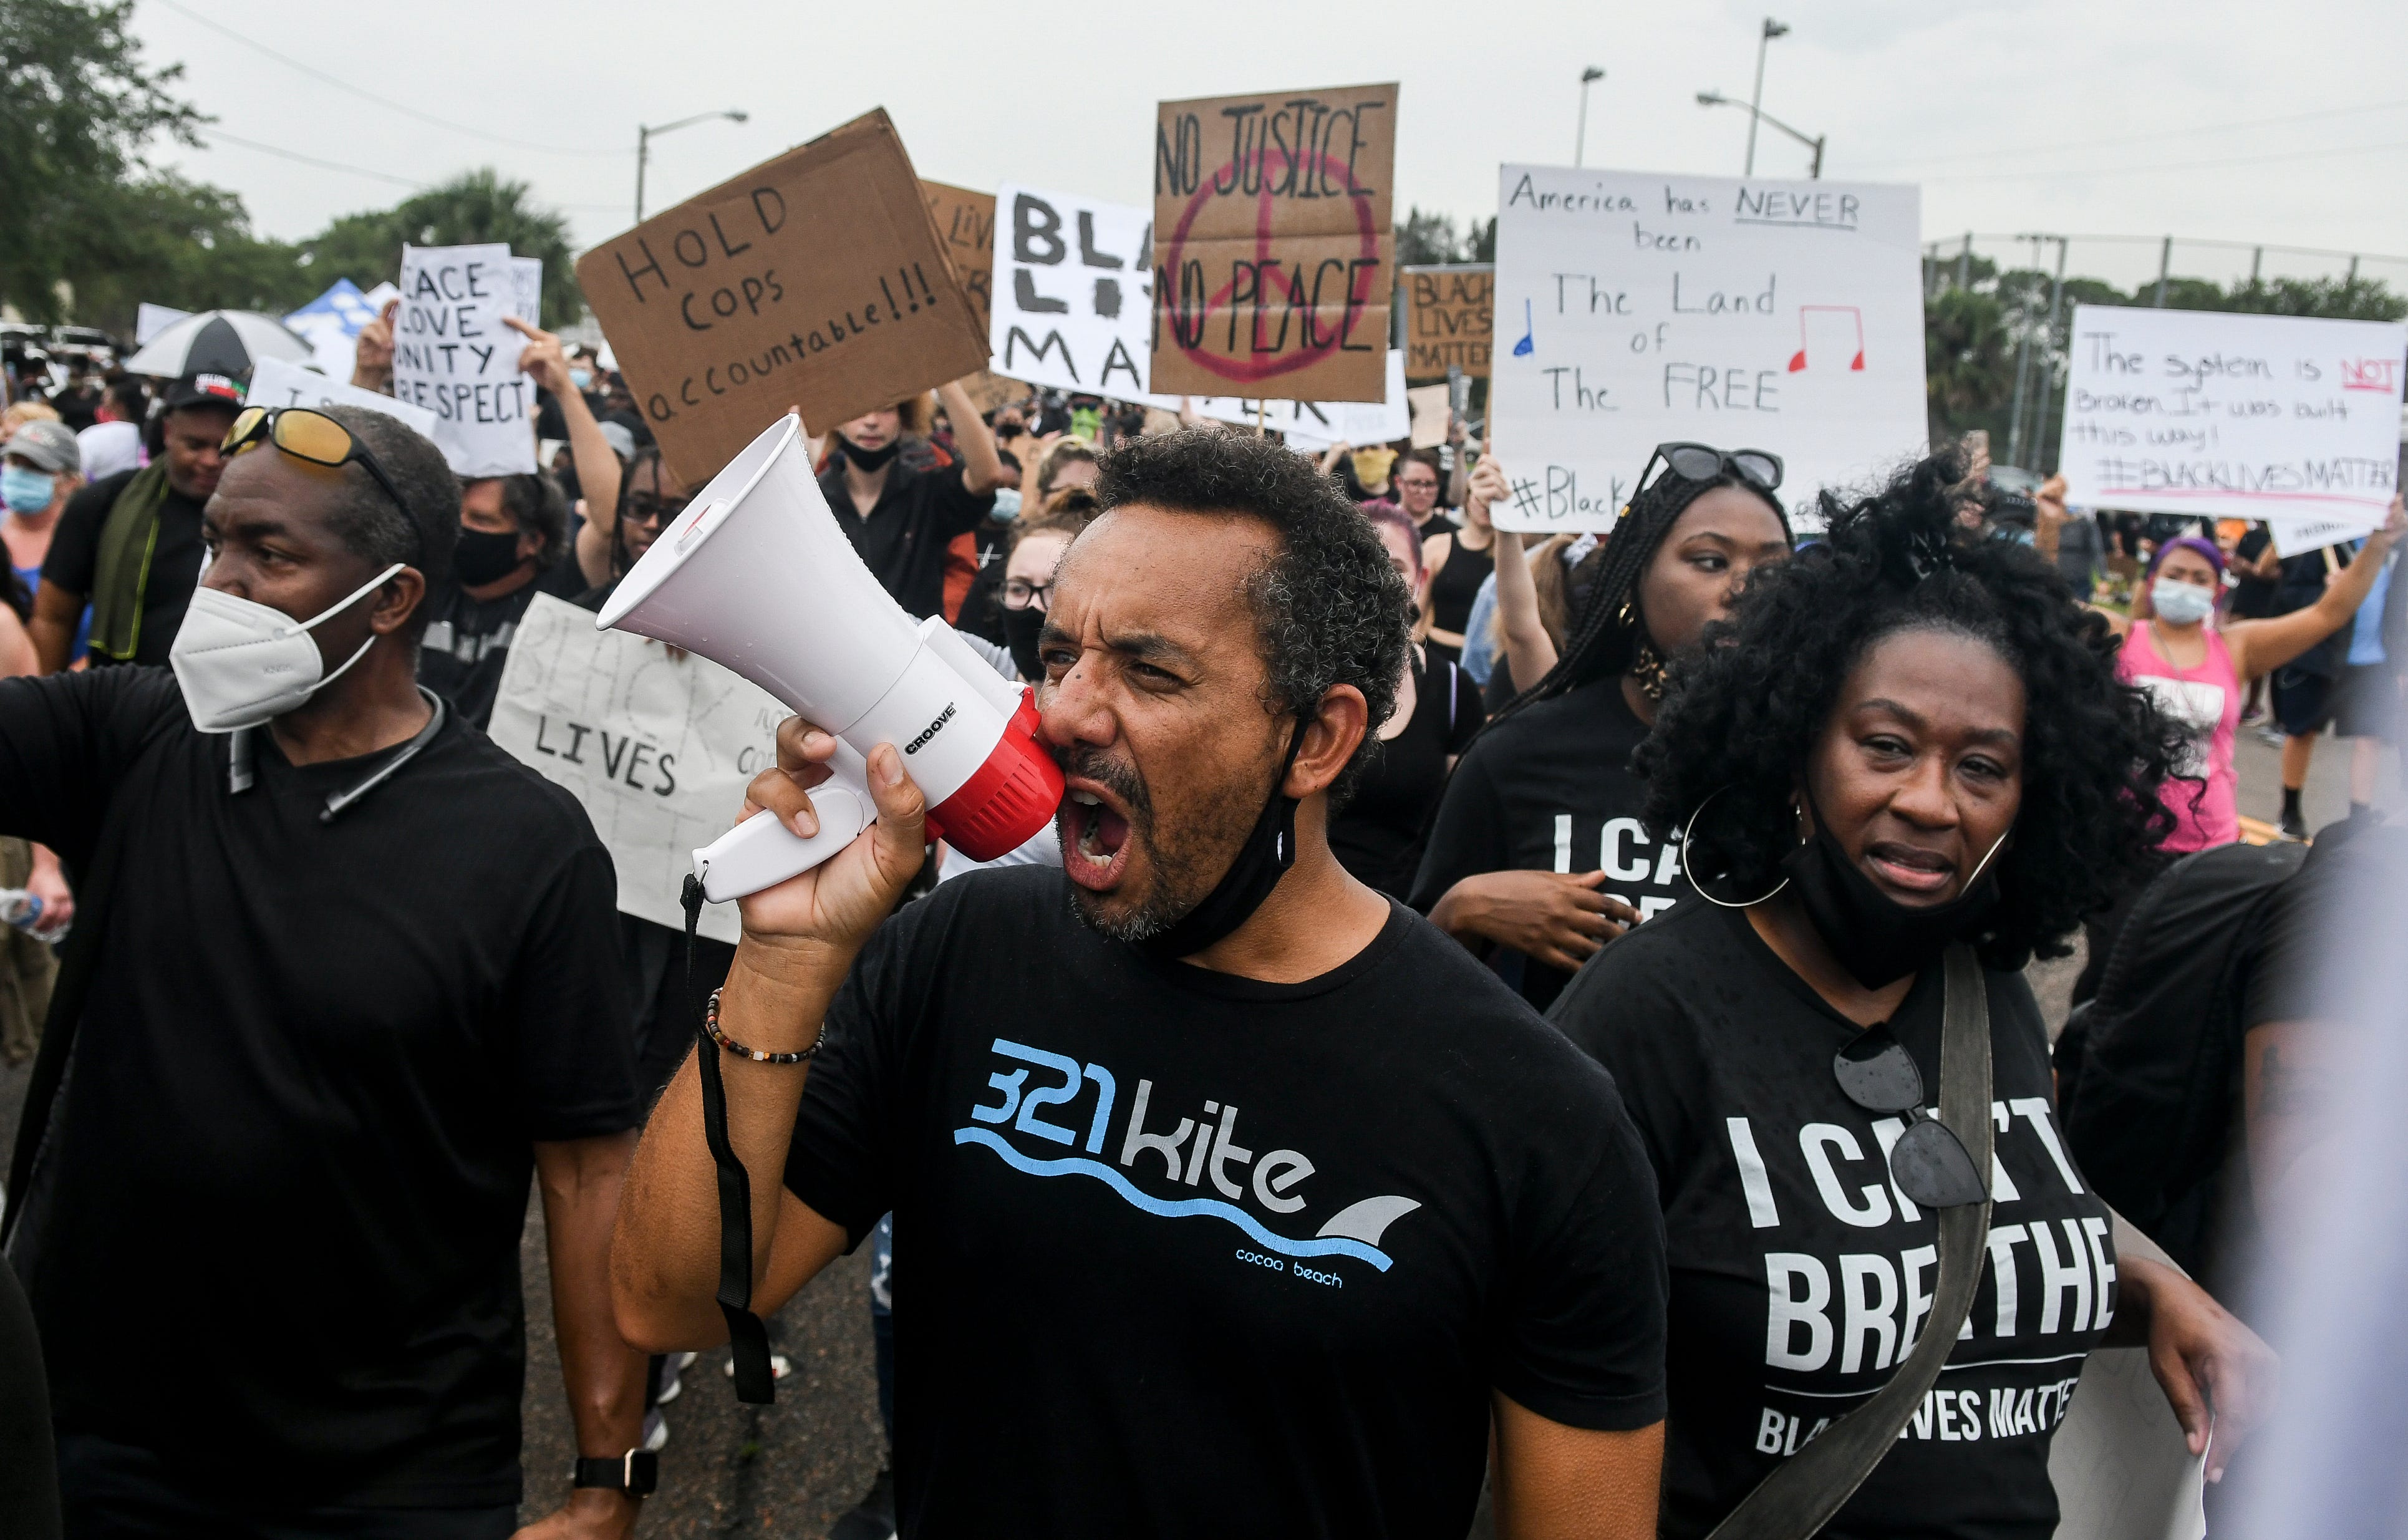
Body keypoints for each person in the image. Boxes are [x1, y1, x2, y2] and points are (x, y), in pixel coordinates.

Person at [612, 428, 1670, 1536]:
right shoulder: (963, 952)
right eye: (1059, 653)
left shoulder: (1536, 1114)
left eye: (1150, 670)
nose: (1064, 710)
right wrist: (786, 958)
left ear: (1317, 739)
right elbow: (670, 1297)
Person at [1550, 451, 2277, 1537]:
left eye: (1982, 765)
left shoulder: (1993, 1002)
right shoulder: (1648, 1013)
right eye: (1885, 746)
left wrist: (2155, 1287)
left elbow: (1972, 1240)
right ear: (1793, 747)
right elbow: (1541, 1354)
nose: (1932, 799)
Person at [0, 404, 655, 1536]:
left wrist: (605, 1476)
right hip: (103, 1441)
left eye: (271, 554)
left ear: (393, 596)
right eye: (216, 543)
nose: (222, 584)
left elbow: (591, 1169)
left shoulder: (526, 847)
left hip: (389, 1477)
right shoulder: (137, 735)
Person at [1412, 444, 1792, 1011]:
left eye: (1771, 569)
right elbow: (1409, 981)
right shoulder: (1521, 753)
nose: (1745, 589)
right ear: (1635, 579)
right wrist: (1465, 907)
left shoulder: (1813, 763)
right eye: (1710, 561)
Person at [2096, 508, 2404, 850]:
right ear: (2153, 582)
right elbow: (2042, 611)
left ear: (2217, 590)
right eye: (2175, 574)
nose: (2186, 585)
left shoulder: (2237, 648)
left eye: (2200, 579)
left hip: (2207, 842)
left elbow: (2328, 614)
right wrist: (2050, 523)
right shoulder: (2119, 637)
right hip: (2123, 834)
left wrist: (2378, 544)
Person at [32, 372, 242, 673]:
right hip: (117, 700)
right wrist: (48, 707)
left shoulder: (260, 518)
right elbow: (53, 617)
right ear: (168, 432)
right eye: (195, 445)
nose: (210, 460)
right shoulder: (104, 502)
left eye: (225, 449)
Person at [1329, 501, 1484, 901]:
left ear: (1420, 579)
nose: (1378, 582)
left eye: (1394, 568)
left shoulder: (1453, 690)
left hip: (1408, 916)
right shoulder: (1297, 680)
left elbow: (1461, 825)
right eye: (1363, 564)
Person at [821, 380, 1006, 620]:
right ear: (835, 420)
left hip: (914, 652)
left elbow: (987, 476)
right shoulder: (815, 500)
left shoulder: (928, 494)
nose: (871, 421)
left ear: (904, 418)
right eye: (857, 410)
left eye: (886, 409)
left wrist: (943, 378)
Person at [1421, 468, 1496, 667]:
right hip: (1438, 652)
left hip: (1488, 658)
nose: (1486, 507)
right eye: (1481, 499)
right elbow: (1418, 607)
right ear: (1468, 500)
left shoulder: (1511, 557)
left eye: (1493, 501)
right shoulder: (1437, 546)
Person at [75, 379, 145, 483]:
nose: (101, 408)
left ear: (120, 406)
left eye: (105, 401)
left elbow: (75, 470)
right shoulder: (154, 436)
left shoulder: (93, 436)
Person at [1393, 448, 1448, 535]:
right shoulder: (1381, 527)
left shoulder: (1450, 534)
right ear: (1399, 482)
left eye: (1430, 484)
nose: (1423, 491)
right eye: (1415, 483)